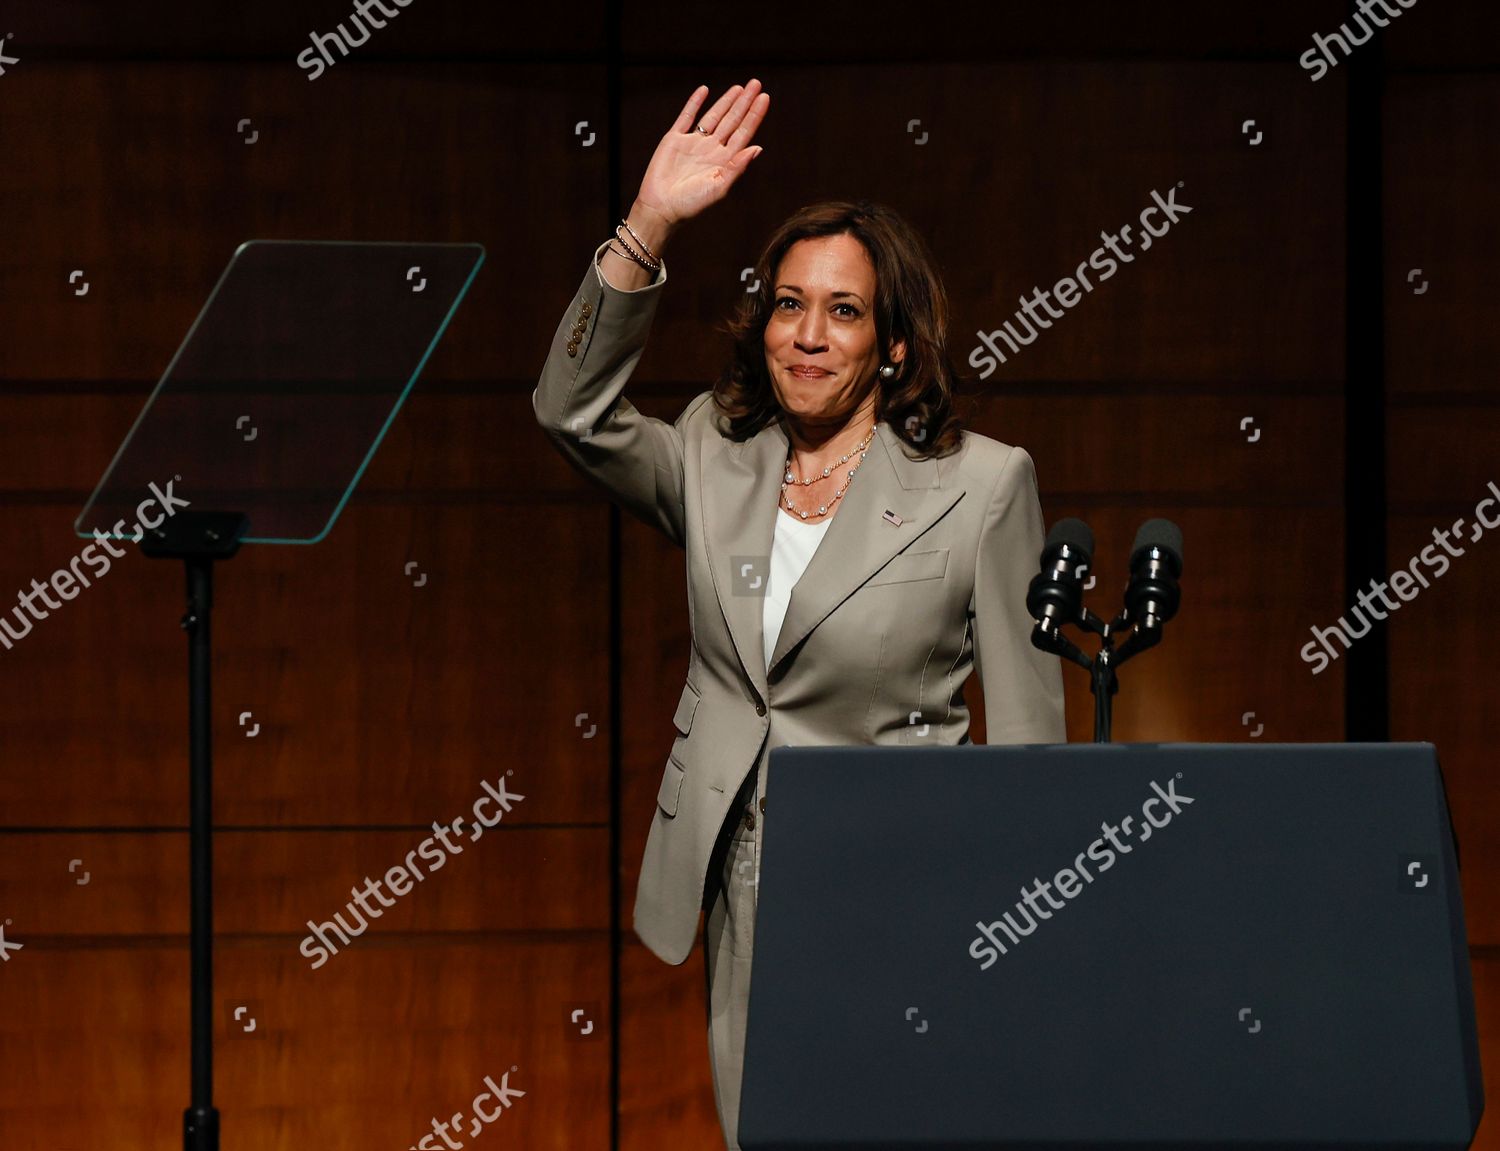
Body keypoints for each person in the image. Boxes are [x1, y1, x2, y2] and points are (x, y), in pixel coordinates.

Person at [533, 78, 1066, 1151]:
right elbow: (571, 410)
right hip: (739, 881)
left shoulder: (985, 487)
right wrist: (649, 226)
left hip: (903, 893)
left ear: (896, 344)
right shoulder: (711, 455)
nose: (808, 334)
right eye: (787, 303)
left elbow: (1027, 746)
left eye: (843, 309)